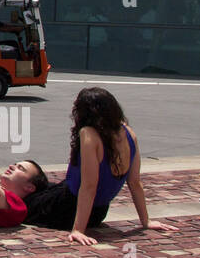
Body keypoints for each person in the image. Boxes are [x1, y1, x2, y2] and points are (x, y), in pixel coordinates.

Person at [24, 87, 175, 244]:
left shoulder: (88, 133)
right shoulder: (129, 132)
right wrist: (146, 221)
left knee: (20, 204)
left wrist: (78, 230)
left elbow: (89, 186)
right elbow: (135, 183)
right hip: (98, 213)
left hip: (67, 209)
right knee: (43, 187)